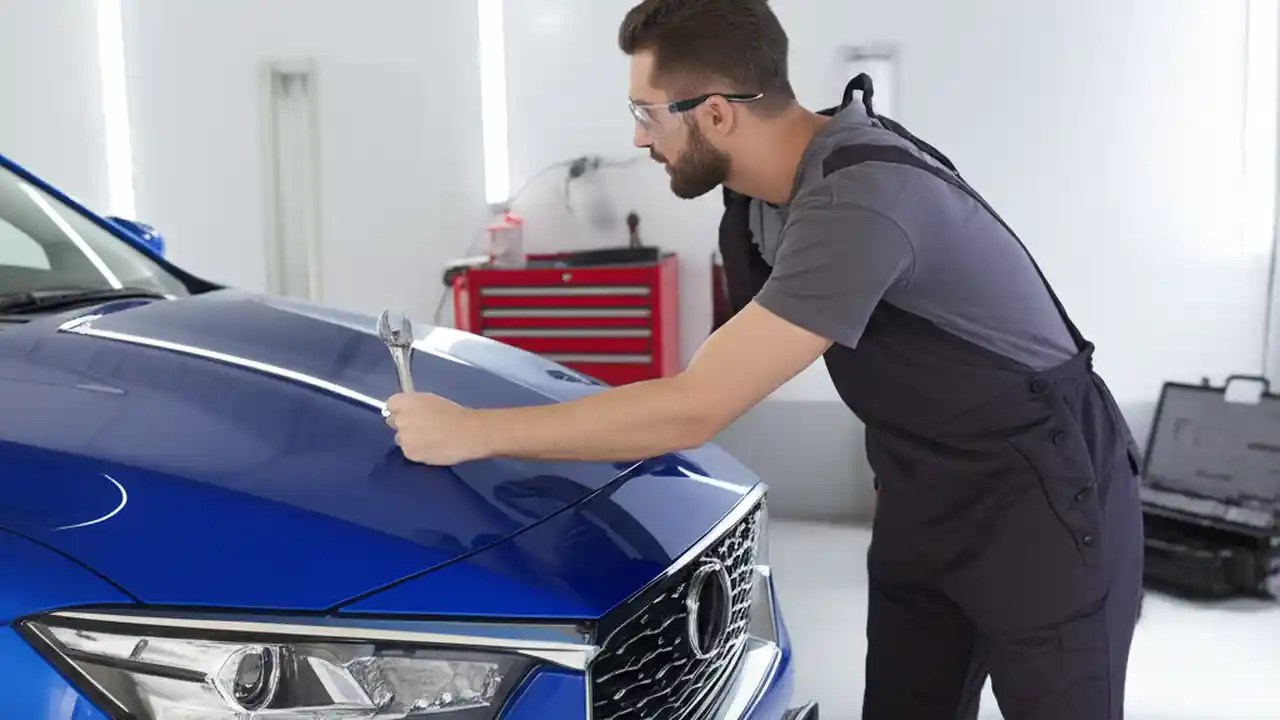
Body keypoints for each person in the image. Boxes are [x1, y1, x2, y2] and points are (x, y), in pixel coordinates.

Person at [384, 0, 1145, 717]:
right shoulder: (753, 204)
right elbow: (724, 366)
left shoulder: (859, 201)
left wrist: (474, 431)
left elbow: (696, 405)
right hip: (926, 490)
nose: (640, 139)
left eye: (646, 114)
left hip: (1044, 490)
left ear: (716, 111)